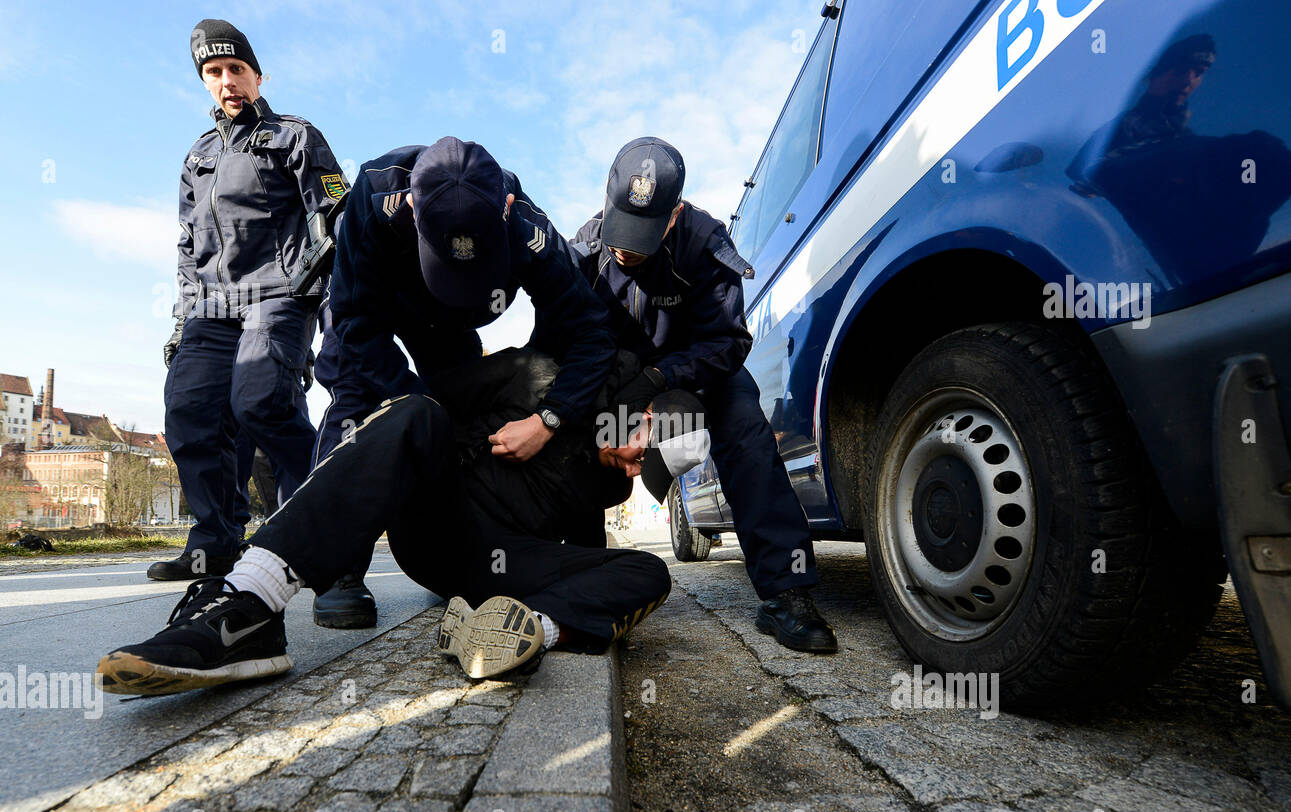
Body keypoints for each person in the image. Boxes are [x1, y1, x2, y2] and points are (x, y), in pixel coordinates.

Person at [94, 348, 703, 693]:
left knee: (648, 573)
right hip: (439, 522)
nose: (631, 472)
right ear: (640, 413)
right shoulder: (543, 375)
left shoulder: (605, 483)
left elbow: (585, 561)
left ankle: (515, 633)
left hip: (499, 572)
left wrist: (572, 600)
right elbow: (427, 394)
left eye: (643, 473)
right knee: (418, 414)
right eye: (639, 455)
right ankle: (250, 602)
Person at [307, 136, 618, 629]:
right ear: (410, 207)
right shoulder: (373, 199)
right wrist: (410, 401)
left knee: (471, 399)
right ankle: (339, 566)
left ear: (506, 208)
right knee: (360, 401)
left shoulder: (529, 229)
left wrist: (548, 416)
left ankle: (463, 531)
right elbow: (353, 321)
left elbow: (589, 332)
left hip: (449, 327)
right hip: (377, 303)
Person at [546, 136, 837, 653]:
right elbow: (563, 345)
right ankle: (583, 571)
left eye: (643, 236)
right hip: (610, 373)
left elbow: (727, 342)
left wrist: (661, 383)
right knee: (573, 433)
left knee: (746, 428)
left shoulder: (705, 243)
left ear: (675, 215)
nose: (624, 248)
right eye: (620, 228)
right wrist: (598, 414)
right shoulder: (585, 251)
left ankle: (786, 592)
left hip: (695, 373)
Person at [151, 19, 345, 583]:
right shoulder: (198, 156)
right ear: (205, 82)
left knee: (260, 402)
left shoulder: (295, 136)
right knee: (189, 411)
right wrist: (183, 316)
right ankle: (215, 540)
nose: (227, 80)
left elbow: (334, 217)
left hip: (278, 292)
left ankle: (312, 527)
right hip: (212, 303)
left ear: (258, 76)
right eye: (215, 72)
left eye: (237, 69)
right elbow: (188, 243)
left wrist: (331, 302)